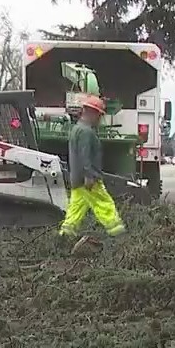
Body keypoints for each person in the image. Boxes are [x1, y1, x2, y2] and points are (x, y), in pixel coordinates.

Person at [59, 95, 126, 248]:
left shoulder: (77, 129)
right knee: (105, 205)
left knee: (75, 210)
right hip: (88, 180)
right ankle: (120, 238)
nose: (100, 119)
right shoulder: (86, 132)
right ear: (93, 113)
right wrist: (90, 176)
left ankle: (64, 237)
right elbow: (85, 156)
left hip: (76, 179)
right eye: (100, 115)